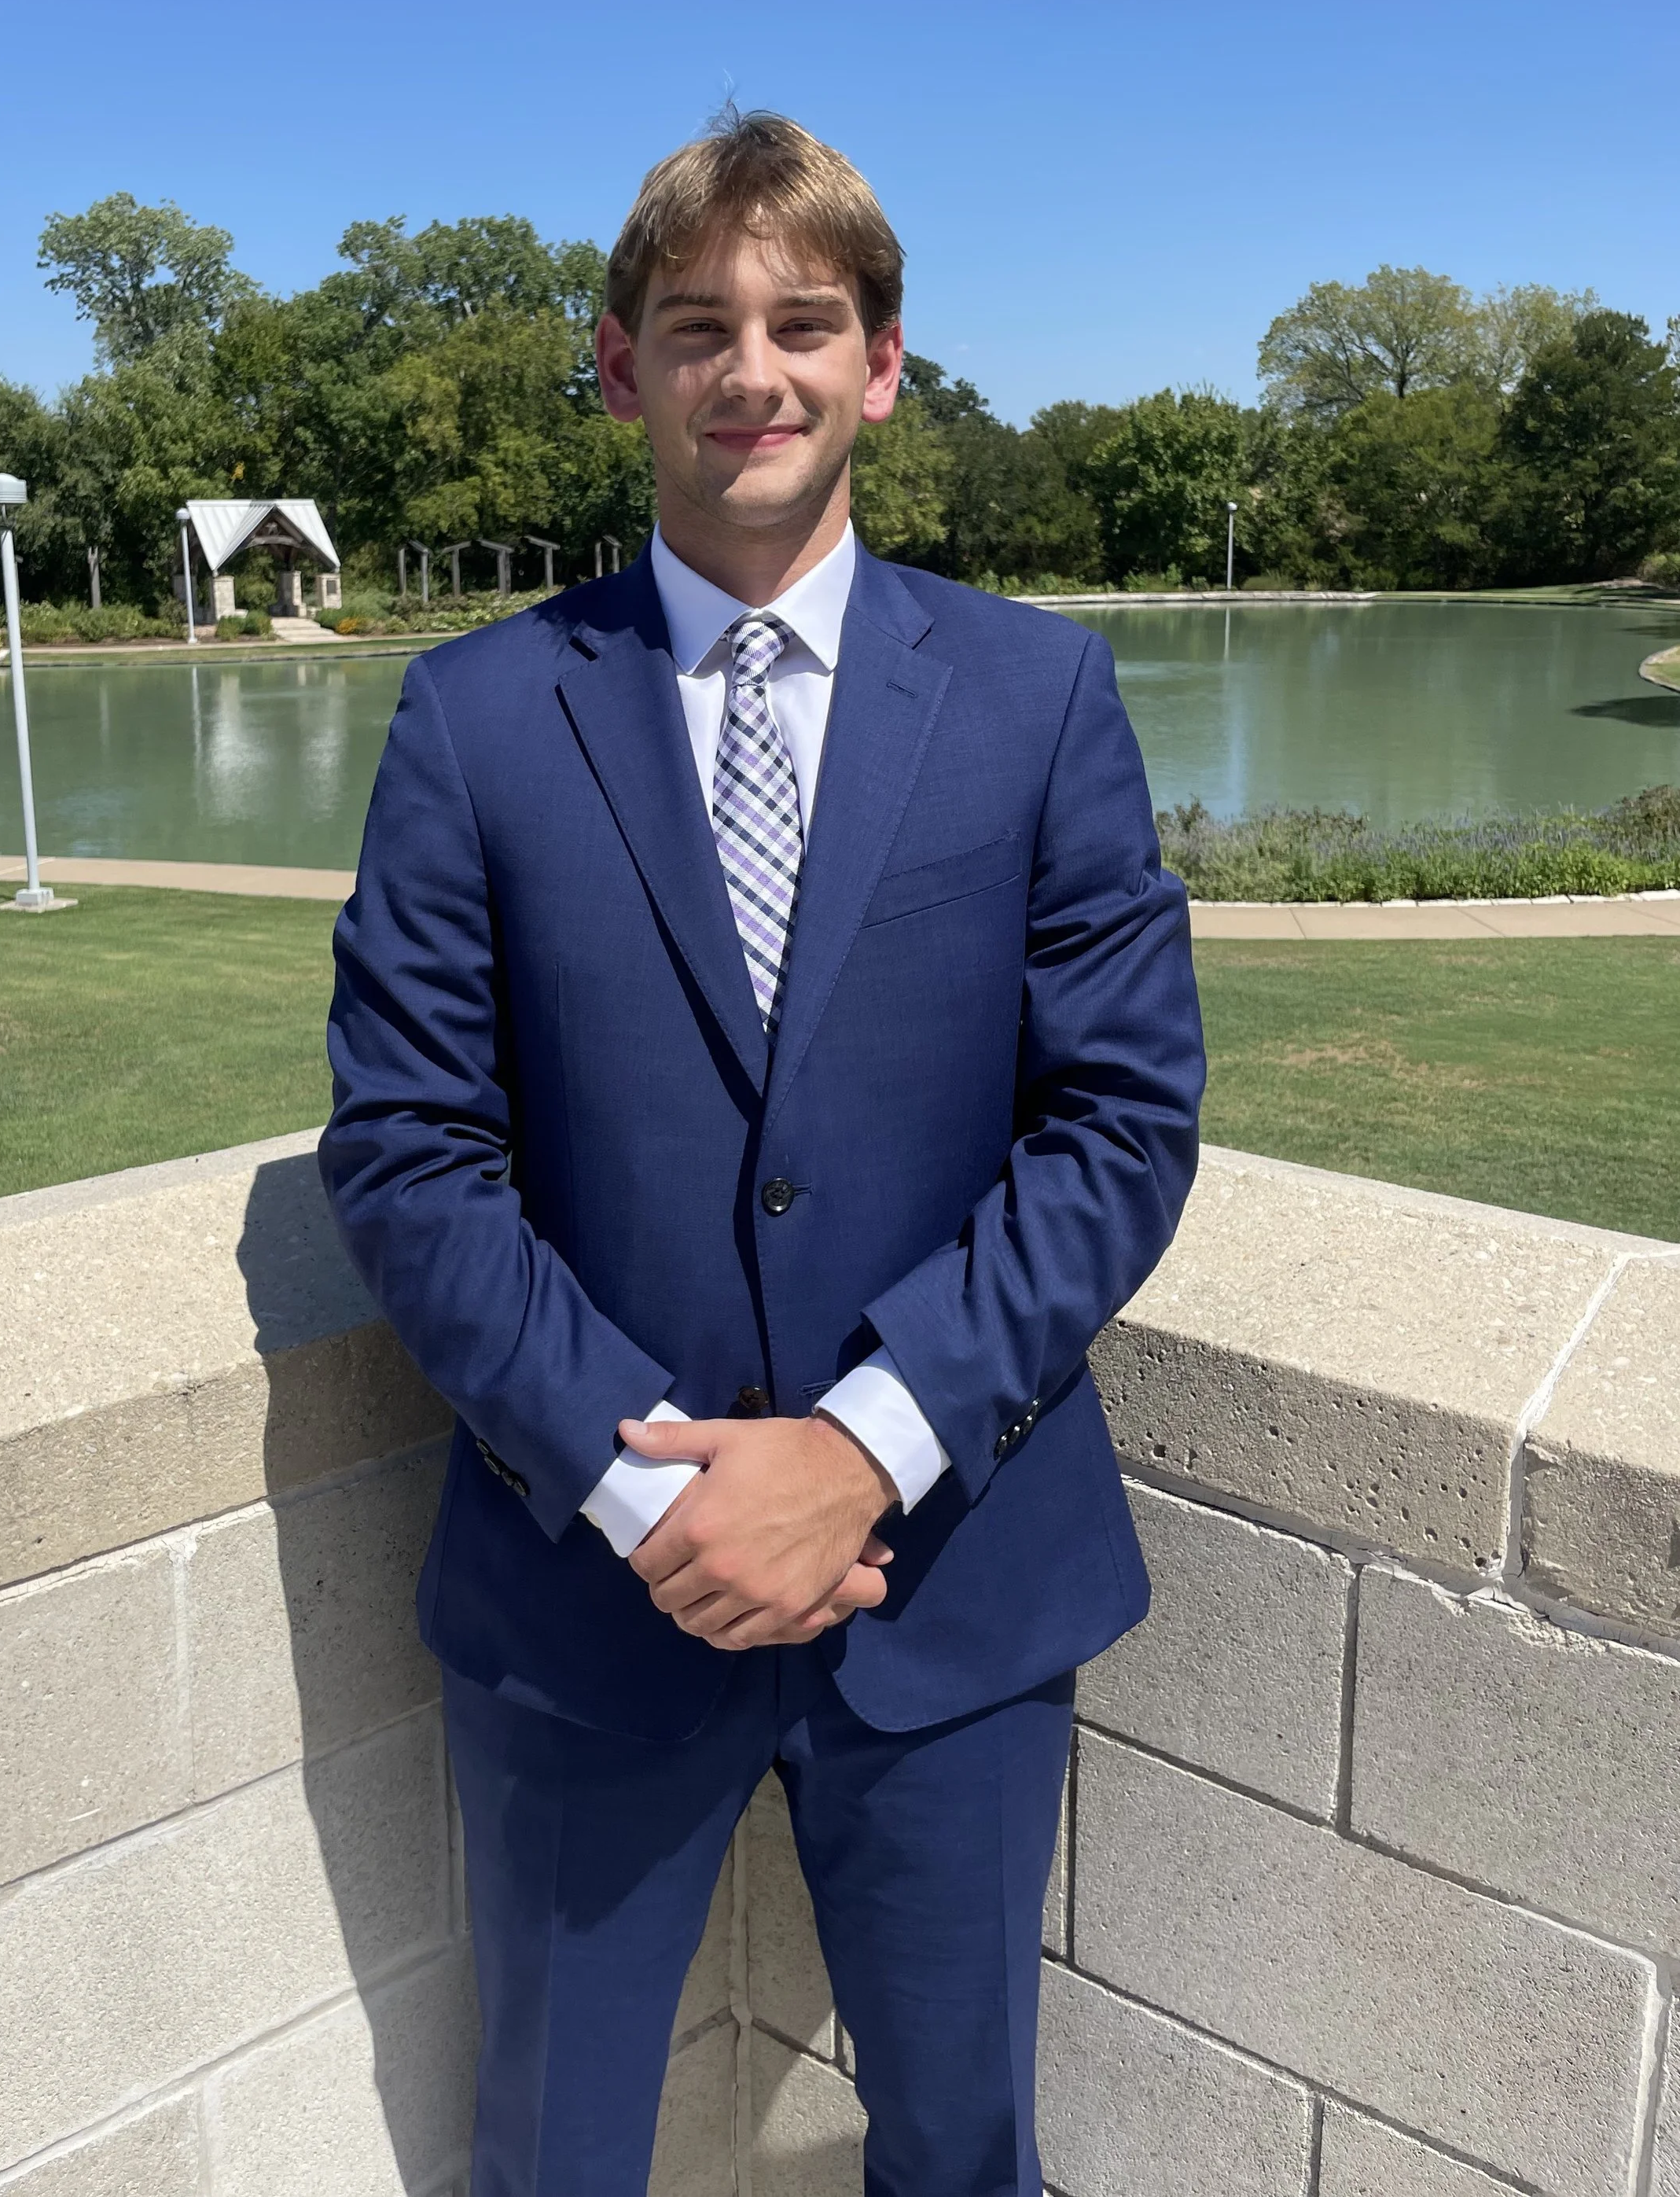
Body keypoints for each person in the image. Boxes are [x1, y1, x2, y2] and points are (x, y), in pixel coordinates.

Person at [320, 110, 1205, 2195]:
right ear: (619, 365)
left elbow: (1118, 1118)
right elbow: (411, 1154)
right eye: (696, 323)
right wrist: (652, 1494)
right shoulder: (471, 716)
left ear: (880, 365)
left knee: (964, 2147)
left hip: (948, 1583)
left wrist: (863, 1441)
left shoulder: (1036, 694)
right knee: (549, 2153)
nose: (755, 368)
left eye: (805, 322)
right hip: (589, 1598)